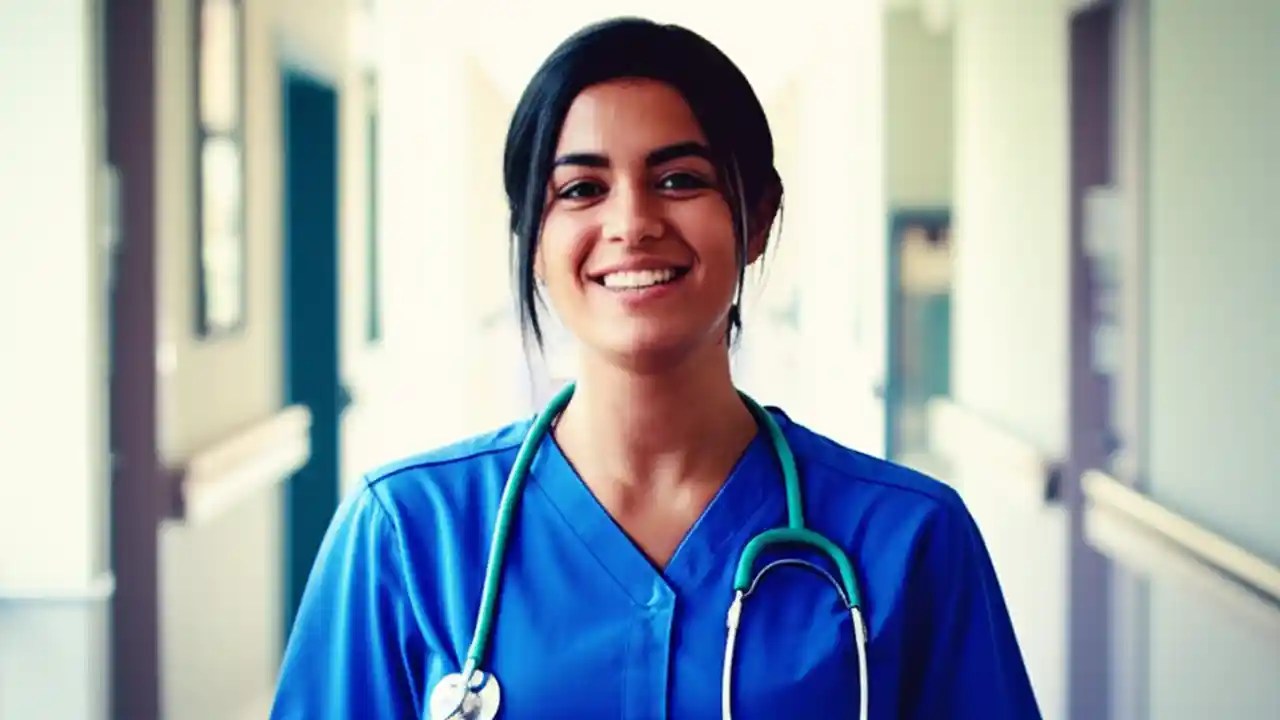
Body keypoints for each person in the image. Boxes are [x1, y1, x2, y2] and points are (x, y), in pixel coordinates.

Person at [270, 17, 1040, 720]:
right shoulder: (407, 536)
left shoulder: (909, 542)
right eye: (580, 189)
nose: (633, 223)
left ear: (758, 215)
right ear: (532, 238)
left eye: (680, 179)